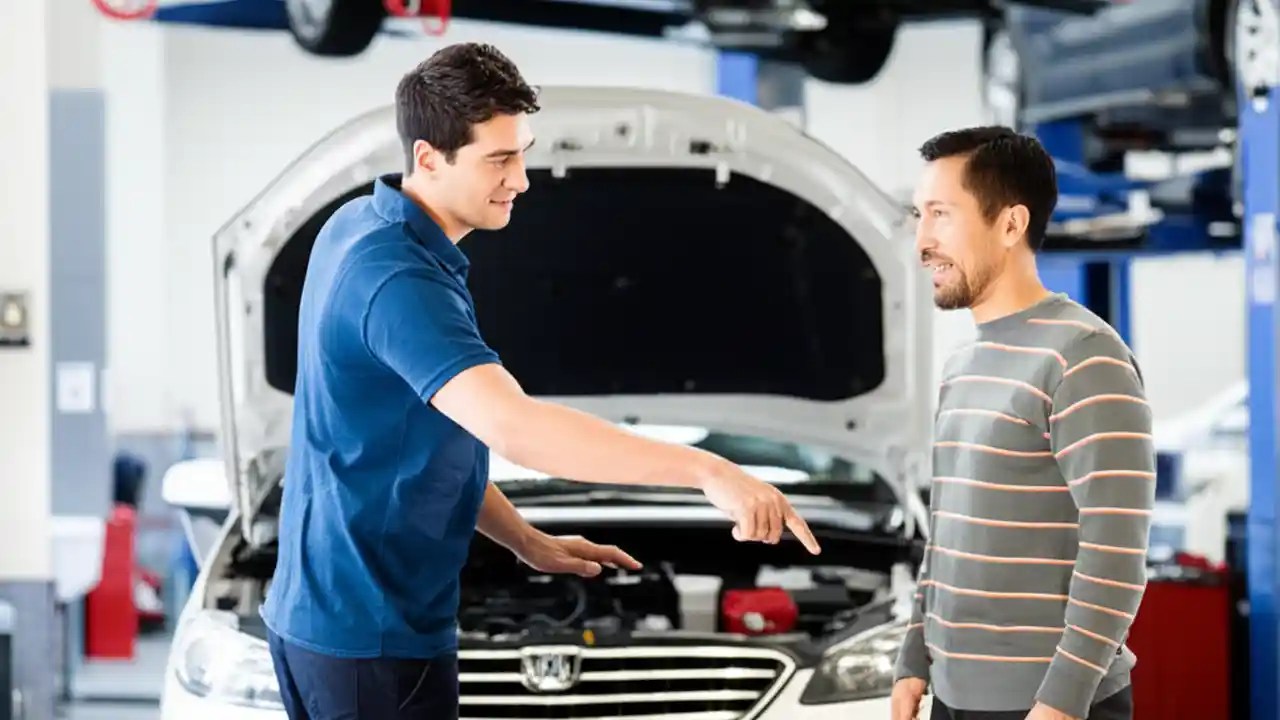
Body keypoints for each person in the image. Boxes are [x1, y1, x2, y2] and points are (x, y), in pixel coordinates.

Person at [259, 42, 821, 720]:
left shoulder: (358, 224)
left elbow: (425, 439)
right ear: (428, 159)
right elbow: (514, 427)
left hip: (326, 619)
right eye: (498, 159)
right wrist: (706, 470)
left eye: (521, 151)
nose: (521, 179)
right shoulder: (400, 281)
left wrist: (524, 539)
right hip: (371, 636)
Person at [890, 127, 1154, 720]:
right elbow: (947, 530)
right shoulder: (963, 364)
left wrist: (1061, 703)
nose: (922, 242)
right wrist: (915, 656)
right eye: (918, 215)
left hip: (1046, 708)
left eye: (941, 215)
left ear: (1010, 225)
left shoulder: (1084, 356)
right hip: (952, 700)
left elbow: (1116, 551)